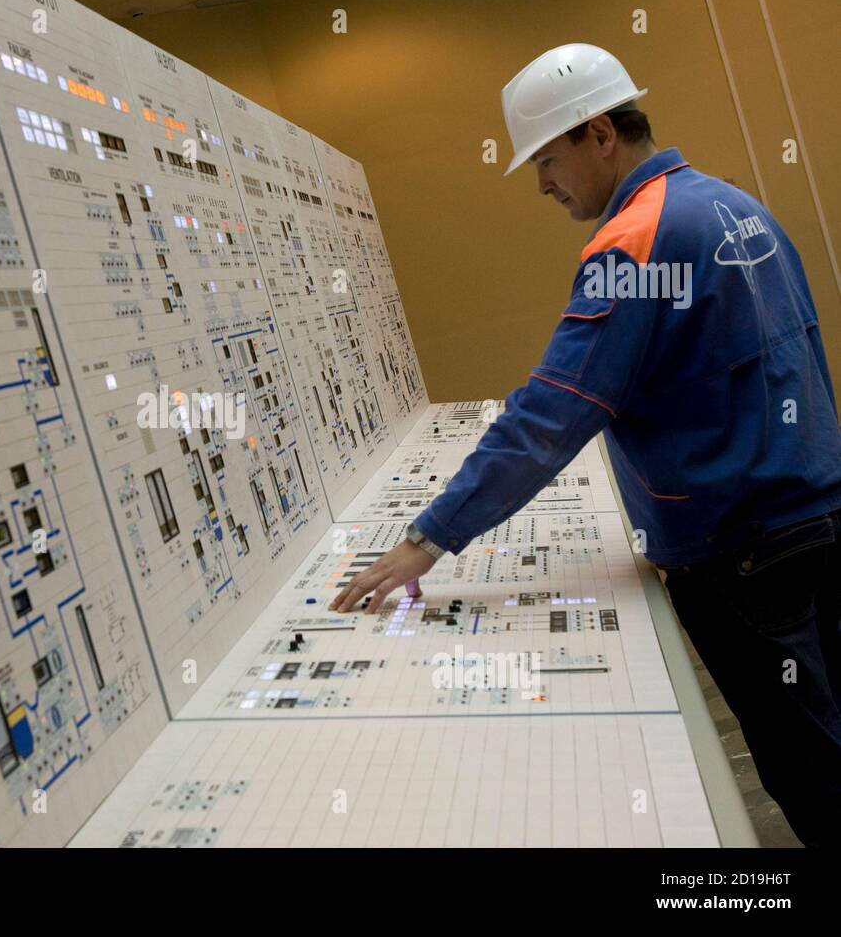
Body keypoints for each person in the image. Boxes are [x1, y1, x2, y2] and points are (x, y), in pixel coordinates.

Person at [328, 43, 841, 845]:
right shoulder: (735, 205)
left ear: (600, 133)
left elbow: (554, 414)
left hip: (745, 559)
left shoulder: (632, 244)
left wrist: (428, 538)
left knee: (809, 770)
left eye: (547, 157)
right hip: (817, 522)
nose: (541, 183)